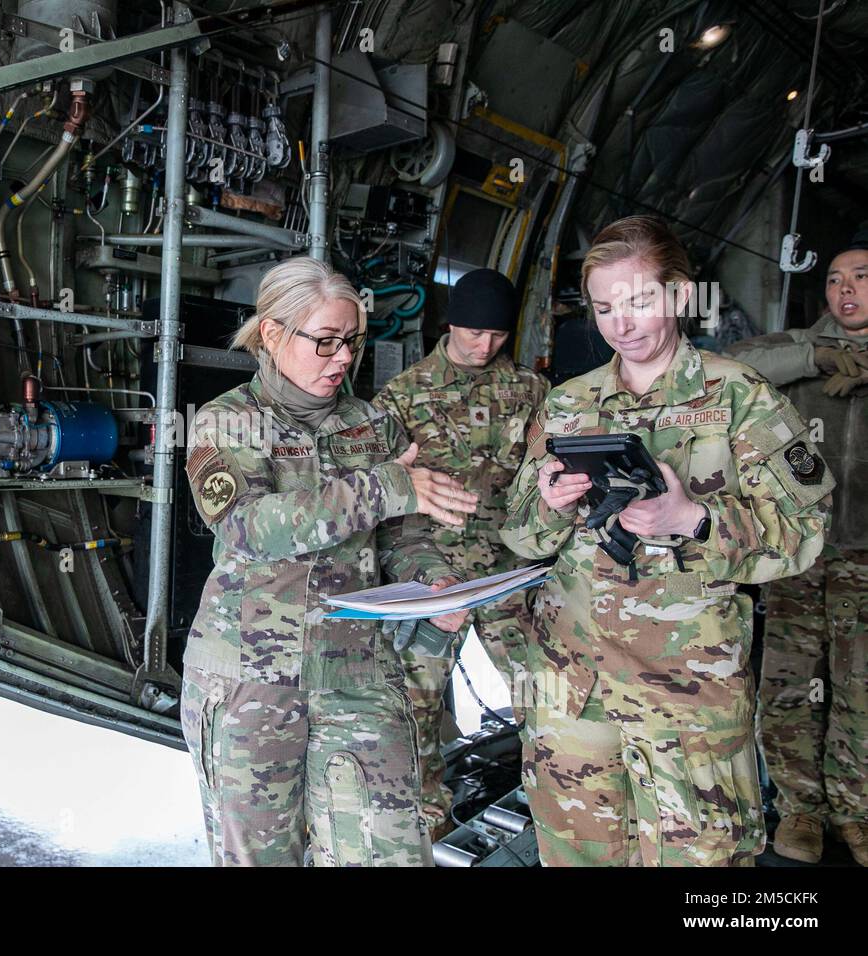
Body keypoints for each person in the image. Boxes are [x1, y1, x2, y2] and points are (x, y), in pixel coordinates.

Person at [501, 215, 833, 866]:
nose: (620, 324)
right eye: (603, 307)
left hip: (687, 697)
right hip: (572, 695)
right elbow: (519, 535)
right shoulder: (569, 405)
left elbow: (806, 532)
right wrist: (548, 504)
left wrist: (698, 521)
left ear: (681, 295)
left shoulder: (741, 399)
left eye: (639, 301)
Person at [180, 256, 476, 866]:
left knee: (392, 853)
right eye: (325, 342)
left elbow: (402, 537)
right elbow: (251, 527)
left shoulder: (373, 426)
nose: (343, 358)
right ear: (273, 335)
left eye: (352, 342)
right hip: (248, 683)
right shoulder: (226, 424)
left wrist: (432, 581)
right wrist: (387, 486)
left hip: (358, 675)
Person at [373, 268, 549, 838]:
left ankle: (560, 808)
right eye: (473, 332)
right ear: (449, 322)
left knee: (542, 694)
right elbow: (382, 494)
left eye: (497, 335)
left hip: (507, 572)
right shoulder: (403, 396)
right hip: (435, 575)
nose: (484, 345)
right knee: (414, 705)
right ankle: (425, 825)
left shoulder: (530, 391)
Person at [725, 231, 868, 865]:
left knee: (860, 688)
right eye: (837, 278)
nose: (846, 289)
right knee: (789, 681)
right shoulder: (801, 346)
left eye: (861, 277)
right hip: (803, 549)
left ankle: (856, 811)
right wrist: (816, 354)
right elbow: (732, 367)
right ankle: (802, 811)